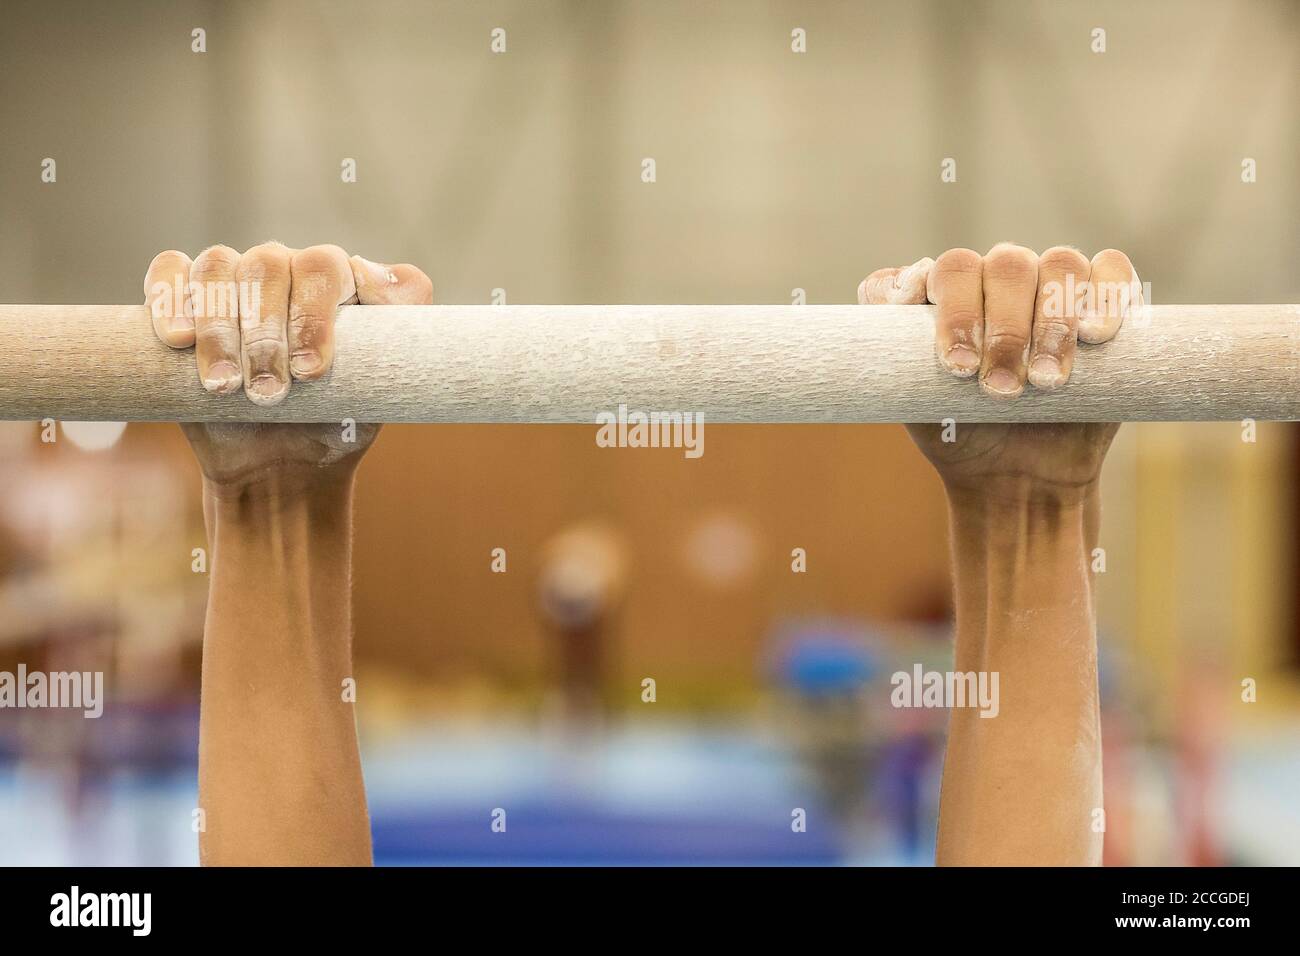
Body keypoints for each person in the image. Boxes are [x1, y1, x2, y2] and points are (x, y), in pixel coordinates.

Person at [144, 239, 1139, 866]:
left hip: (573, 629)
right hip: (572, 631)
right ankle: (572, 735)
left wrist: (271, 497)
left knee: (581, 682)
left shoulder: (591, 570)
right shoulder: (578, 572)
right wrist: (1028, 514)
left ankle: (573, 732)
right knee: (576, 686)